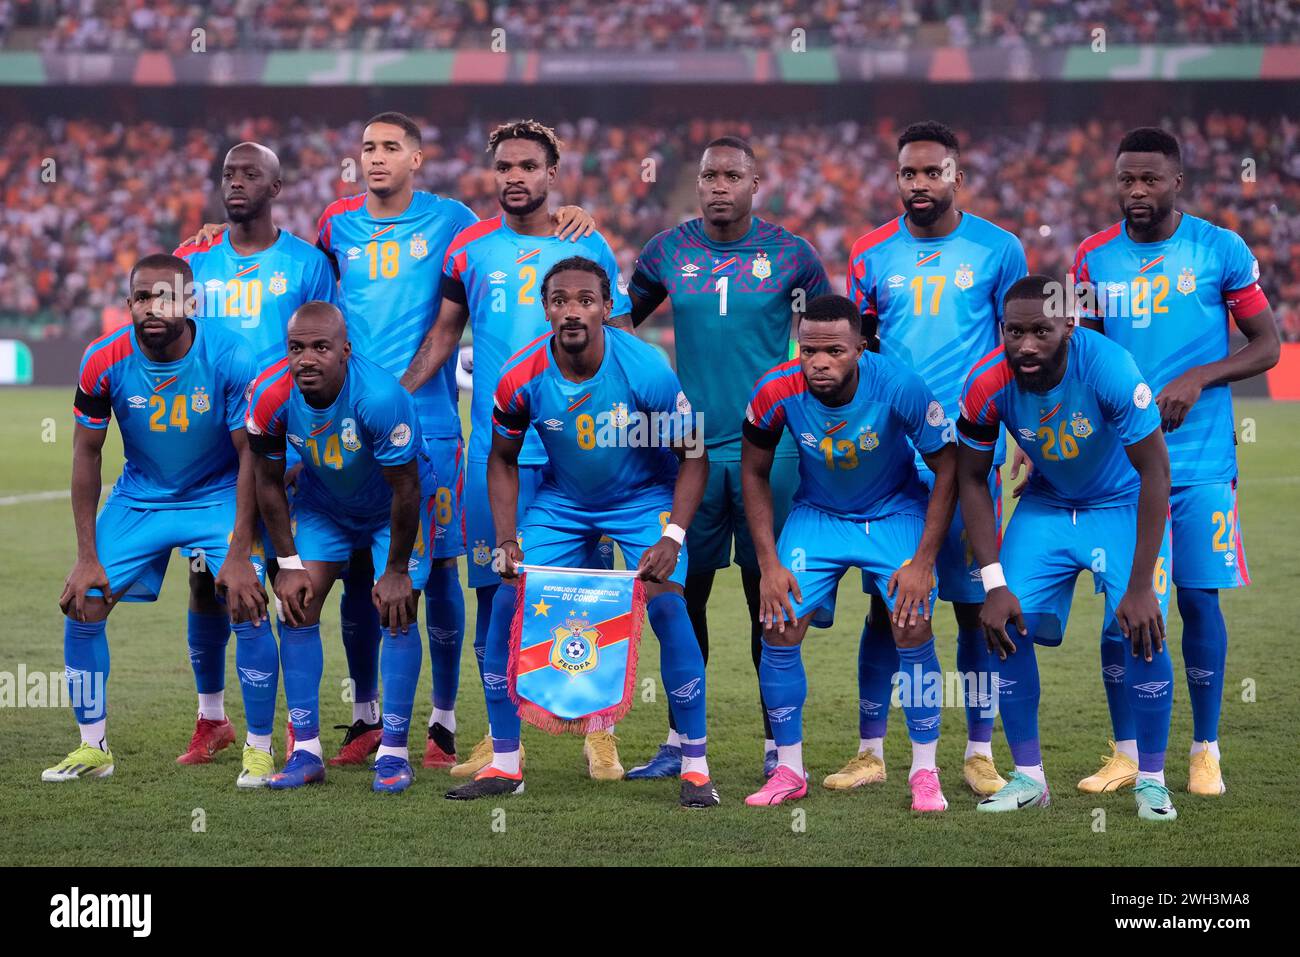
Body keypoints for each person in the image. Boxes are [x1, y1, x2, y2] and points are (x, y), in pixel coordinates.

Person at [186, 112, 593, 769]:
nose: (376, 158)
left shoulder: (453, 219)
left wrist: (568, 213)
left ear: (417, 157)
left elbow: (513, 235)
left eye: (390, 148)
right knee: (355, 571)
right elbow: (308, 297)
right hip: (334, 423)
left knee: (435, 573)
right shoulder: (335, 223)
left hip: (424, 419)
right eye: (368, 147)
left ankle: (442, 722)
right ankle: (367, 716)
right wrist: (217, 234)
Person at [445, 257, 717, 809]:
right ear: (546, 308)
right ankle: (505, 762)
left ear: (606, 308)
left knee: (667, 607)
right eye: (561, 300)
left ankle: (695, 766)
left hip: (643, 500)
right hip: (564, 502)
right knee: (506, 603)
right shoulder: (521, 376)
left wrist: (674, 537)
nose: (572, 311)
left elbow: (693, 455)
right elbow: (502, 459)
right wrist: (506, 540)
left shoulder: (645, 368)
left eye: (586, 300)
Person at [402, 119, 628, 780]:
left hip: (577, 454)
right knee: (493, 595)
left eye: (529, 166)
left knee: (587, 594)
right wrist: (398, 394)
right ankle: (502, 739)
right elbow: (444, 337)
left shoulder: (585, 245)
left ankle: (599, 731)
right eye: (505, 167)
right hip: (494, 455)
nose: (515, 178)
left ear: (552, 173)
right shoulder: (470, 247)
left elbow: (610, 347)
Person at [1066, 127, 1281, 797]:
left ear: (1177, 181)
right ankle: (1126, 751)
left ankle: (1205, 750)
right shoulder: (1093, 258)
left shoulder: (1220, 249)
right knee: (1120, 608)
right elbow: (1083, 359)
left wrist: (1201, 376)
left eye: (1150, 179)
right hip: (1120, 469)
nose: (1136, 190)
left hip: (1202, 461)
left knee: (1196, 598)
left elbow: (1268, 344)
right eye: (1126, 179)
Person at [624, 136, 832, 780]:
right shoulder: (667, 251)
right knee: (680, 601)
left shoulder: (793, 258)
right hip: (688, 456)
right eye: (709, 175)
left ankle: (778, 748)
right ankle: (681, 743)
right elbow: (615, 324)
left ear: (755, 184)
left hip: (770, 455)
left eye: (731, 176)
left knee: (766, 599)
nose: (717, 185)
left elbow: (834, 346)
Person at [844, 121, 1027, 796]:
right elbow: (857, 354)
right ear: (897, 179)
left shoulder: (999, 250)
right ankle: (871, 748)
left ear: (957, 174)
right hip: (894, 459)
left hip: (972, 452)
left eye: (932, 172)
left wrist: (1027, 442)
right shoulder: (868, 253)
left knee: (975, 604)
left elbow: (1023, 350)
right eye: (908, 174)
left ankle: (978, 750)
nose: (919, 184)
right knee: (885, 606)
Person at [45, 253, 271, 789]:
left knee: (249, 602)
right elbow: (85, 454)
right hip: (140, 497)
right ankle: (92, 746)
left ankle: (260, 751)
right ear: (128, 304)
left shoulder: (232, 355)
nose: (152, 307)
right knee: (83, 604)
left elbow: (251, 458)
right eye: (142, 297)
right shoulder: (103, 360)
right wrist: (85, 556)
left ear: (190, 302)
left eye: (165, 296)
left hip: (216, 496)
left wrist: (241, 553)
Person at [956, 275, 1177, 821]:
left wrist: (1142, 583)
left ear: (1069, 326)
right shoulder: (985, 383)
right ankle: (1029, 778)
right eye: (1014, 332)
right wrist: (993, 580)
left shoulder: (1110, 368)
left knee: (1143, 630)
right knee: (1004, 624)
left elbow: (1155, 473)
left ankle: (1152, 780)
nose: (1026, 345)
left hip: (1121, 503)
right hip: (1048, 505)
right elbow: (970, 478)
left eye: (1041, 331)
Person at [741, 294, 956, 810]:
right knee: (778, 623)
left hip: (893, 513)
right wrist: (768, 564)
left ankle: (925, 772)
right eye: (808, 349)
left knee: (911, 624)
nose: (818, 362)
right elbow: (753, 472)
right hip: (819, 516)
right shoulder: (775, 390)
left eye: (834, 351)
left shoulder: (899, 385)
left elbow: (948, 465)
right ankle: (789, 770)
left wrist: (924, 562)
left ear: (861, 347)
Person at [171, 140, 336, 769]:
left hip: (285, 444)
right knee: (206, 581)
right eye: (227, 174)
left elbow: (325, 343)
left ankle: (300, 733)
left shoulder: (306, 264)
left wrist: (307, 440)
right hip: (213, 447)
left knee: (287, 581)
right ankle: (211, 719)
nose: (235, 183)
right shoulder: (195, 260)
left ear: (275, 186)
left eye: (250, 174)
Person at [245, 301, 438, 794]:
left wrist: (395, 571)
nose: (306, 359)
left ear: (345, 351)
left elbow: (407, 490)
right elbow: (266, 481)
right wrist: (287, 565)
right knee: (297, 606)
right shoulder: (269, 394)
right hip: (323, 505)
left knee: (398, 610)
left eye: (320, 347)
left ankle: (394, 754)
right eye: (296, 348)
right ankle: (305, 751)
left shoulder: (379, 398)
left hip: (391, 509)